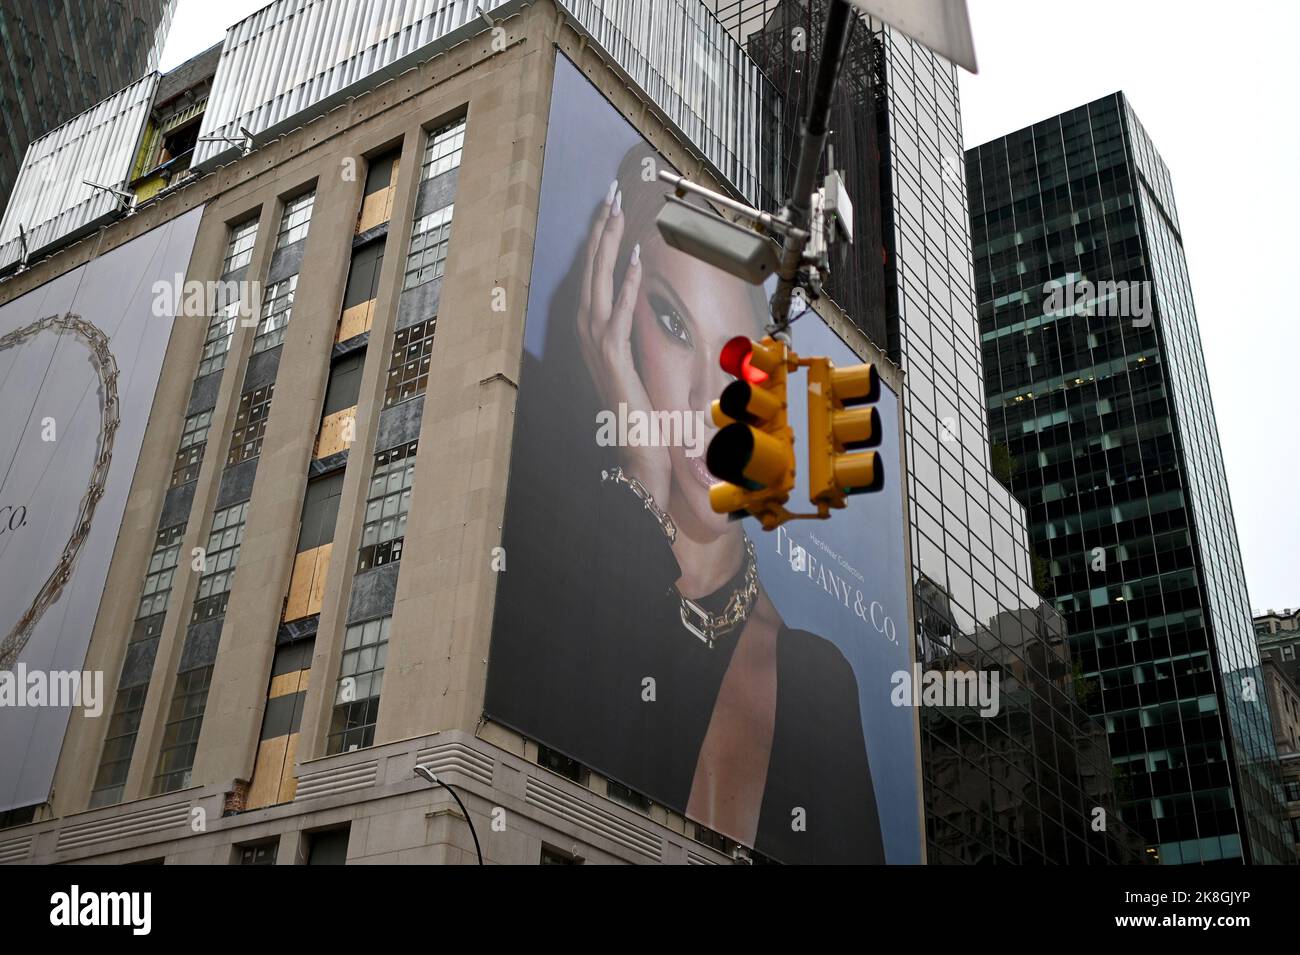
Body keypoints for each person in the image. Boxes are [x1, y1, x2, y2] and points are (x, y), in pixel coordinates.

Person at [486, 142, 885, 864]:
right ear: (610, 316)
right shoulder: (533, 552)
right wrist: (640, 473)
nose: (711, 404)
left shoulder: (821, 686)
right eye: (673, 326)